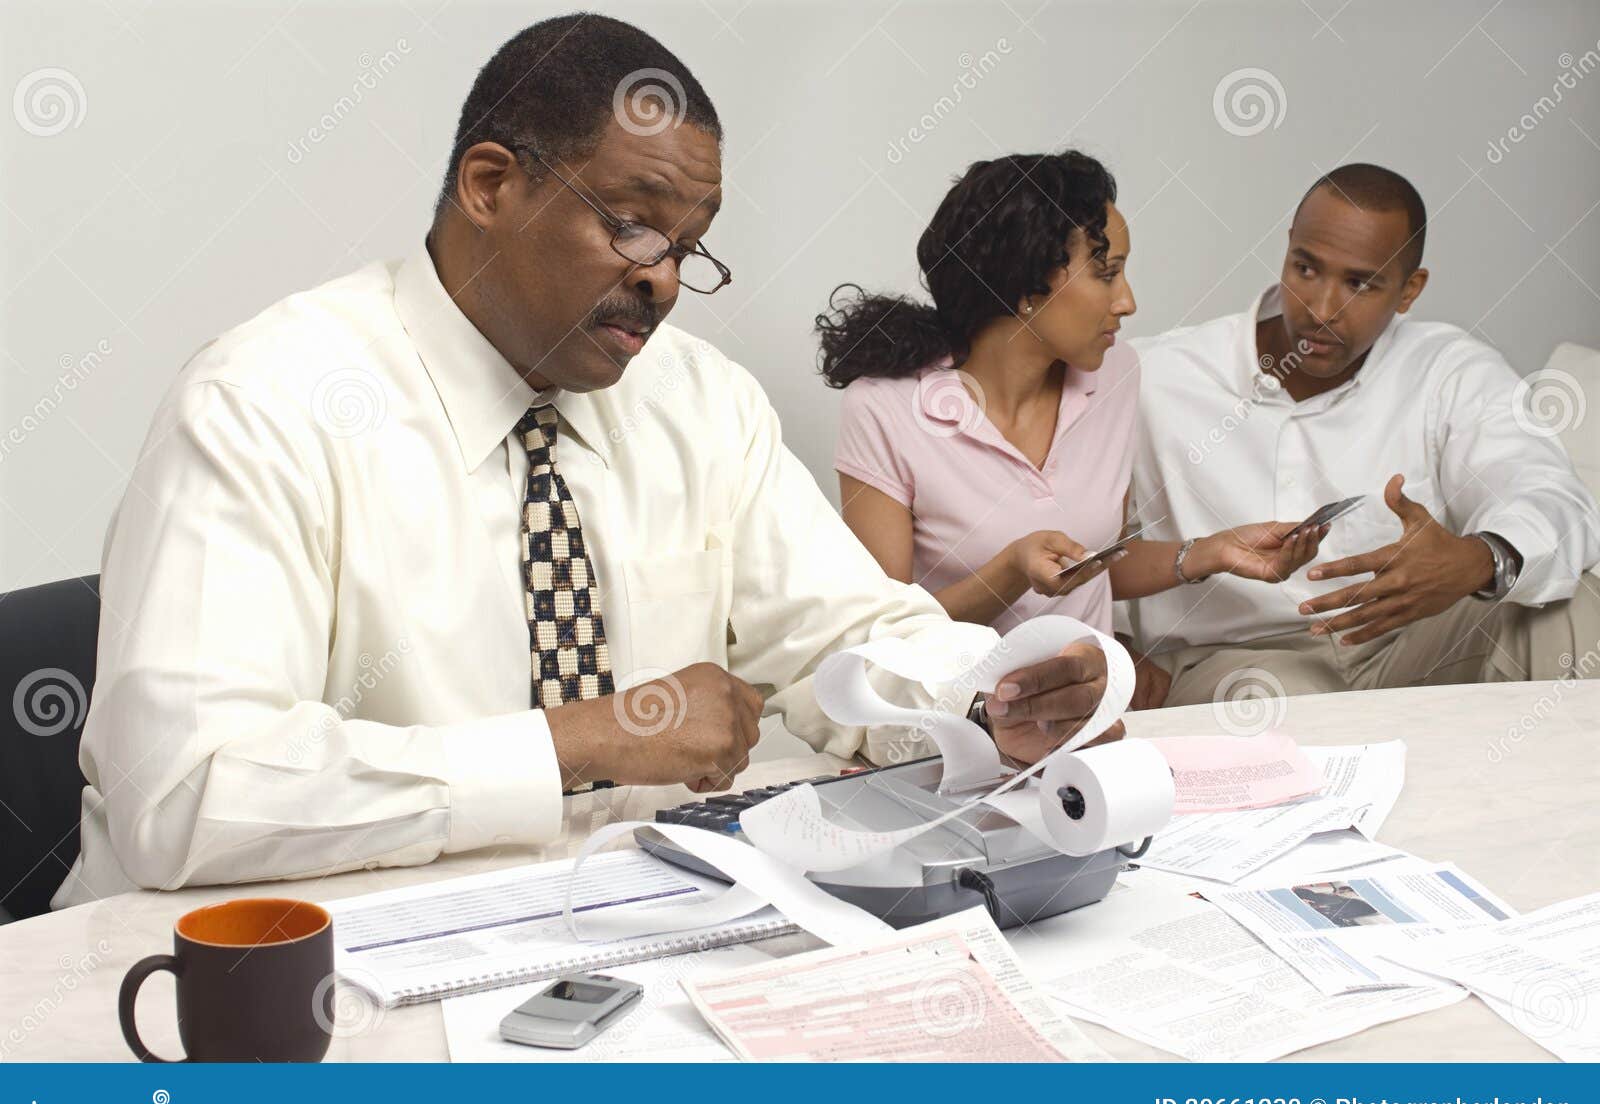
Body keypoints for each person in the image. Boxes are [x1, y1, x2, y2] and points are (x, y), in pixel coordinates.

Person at [54, 16, 1120, 907]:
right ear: (489, 185)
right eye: (632, 227)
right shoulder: (263, 403)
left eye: (688, 247)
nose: (662, 280)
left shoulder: (703, 402)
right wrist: (576, 743)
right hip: (280, 982)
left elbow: (840, 627)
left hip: (624, 938)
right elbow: (189, 791)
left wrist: (983, 697)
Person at [819, 151, 1329, 711]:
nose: (1128, 302)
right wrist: (1010, 572)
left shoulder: (1115, 375)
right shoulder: (885, 409)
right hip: (960, 721)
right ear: (1026, 287)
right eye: (1107, 274)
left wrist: (1209, 552)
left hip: (1094, 713)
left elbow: (1094, 563)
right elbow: (886, 642)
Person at [1129, 163, 1600, 705]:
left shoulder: (1447, 368)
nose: (1322, 310)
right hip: (1242, 662)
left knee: (1572, 608)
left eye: (1360, 284)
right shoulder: (1160, 374)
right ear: (1287, 249)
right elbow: (1073, 540)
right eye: (1306, 269)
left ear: (1409, 290)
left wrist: (1481, 559)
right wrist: (1110, 645)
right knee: (1285, 705)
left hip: (1408, 641)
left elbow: (1548, 492)